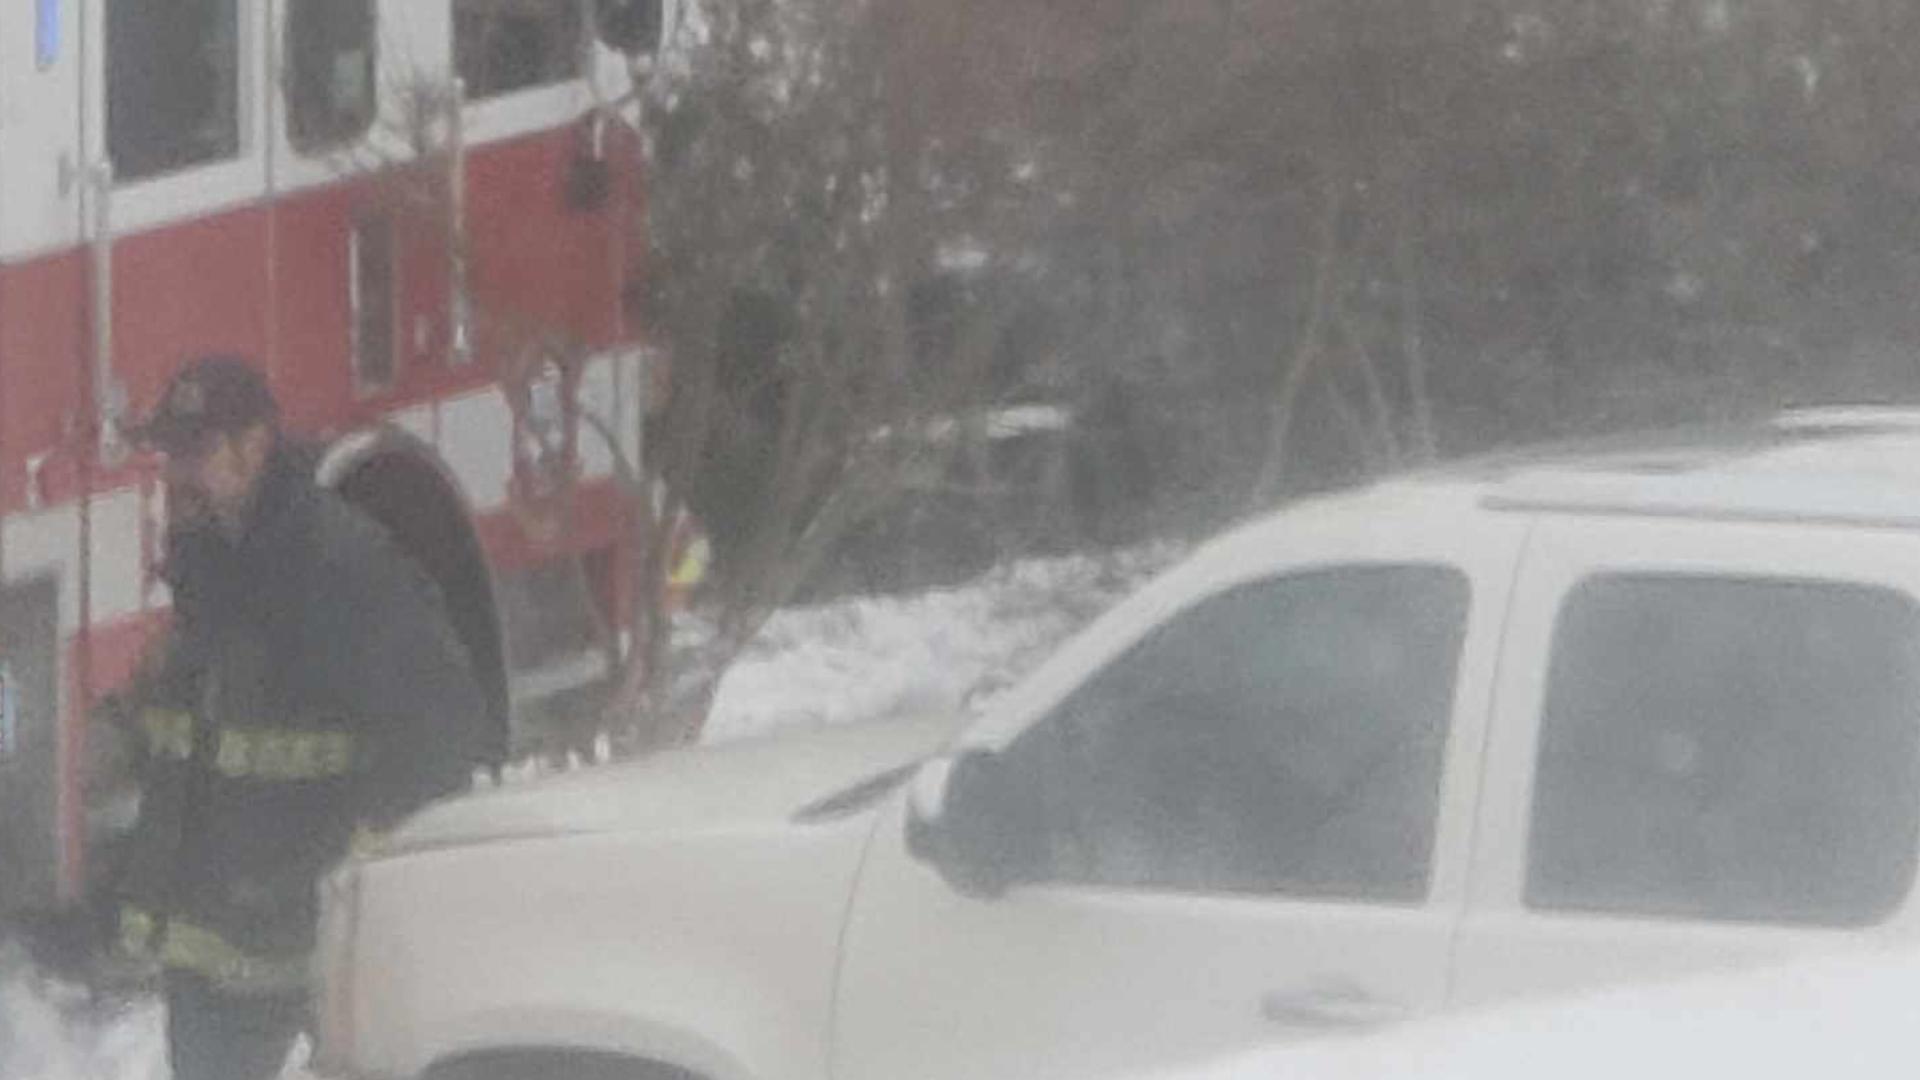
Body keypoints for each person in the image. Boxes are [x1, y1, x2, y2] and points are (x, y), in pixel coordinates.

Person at [112, 355, 488, 1080]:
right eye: (169, 453)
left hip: (307, 944)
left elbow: (445, 723)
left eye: (194, 452)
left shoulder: (335, 565)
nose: (173, 473)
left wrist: (363, 864)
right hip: (213, 945)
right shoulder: (205, 558)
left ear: (254, 447)